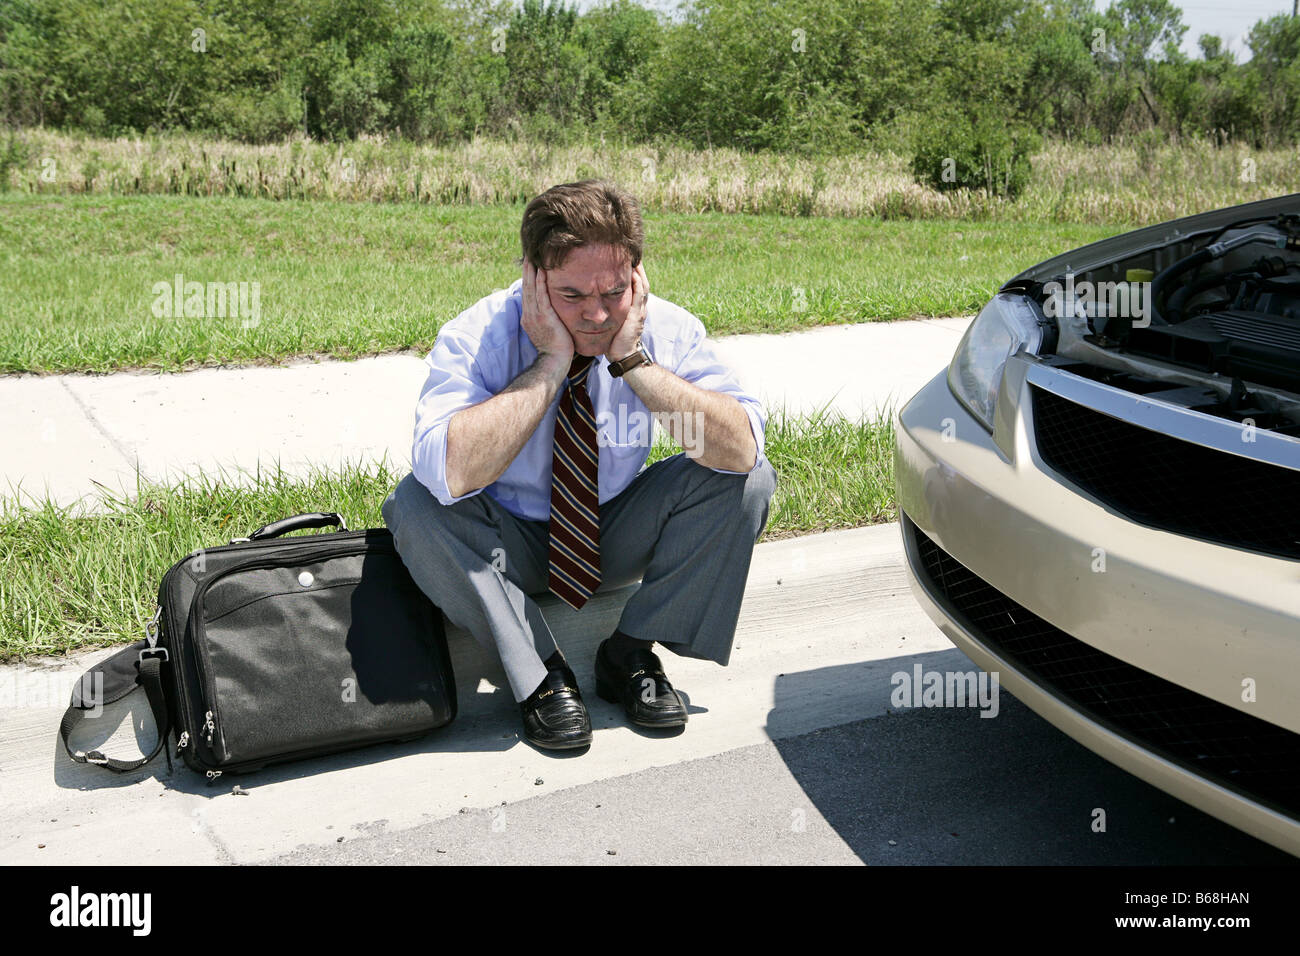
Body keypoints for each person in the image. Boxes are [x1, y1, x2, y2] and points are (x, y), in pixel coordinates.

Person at [381, 179, 777, 751]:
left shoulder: (663, 329)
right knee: (415, 504)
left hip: (609, 533)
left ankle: (631, 653)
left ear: (638, 275)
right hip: (501, 541)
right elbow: (448, 472)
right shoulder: (479, 335)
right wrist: (550, 362)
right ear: (532, 276)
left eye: (613, 291)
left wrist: (632, 360)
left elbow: (739, 451)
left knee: (747, 480)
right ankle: (542, 677)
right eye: (570, 295)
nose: (595, 314)